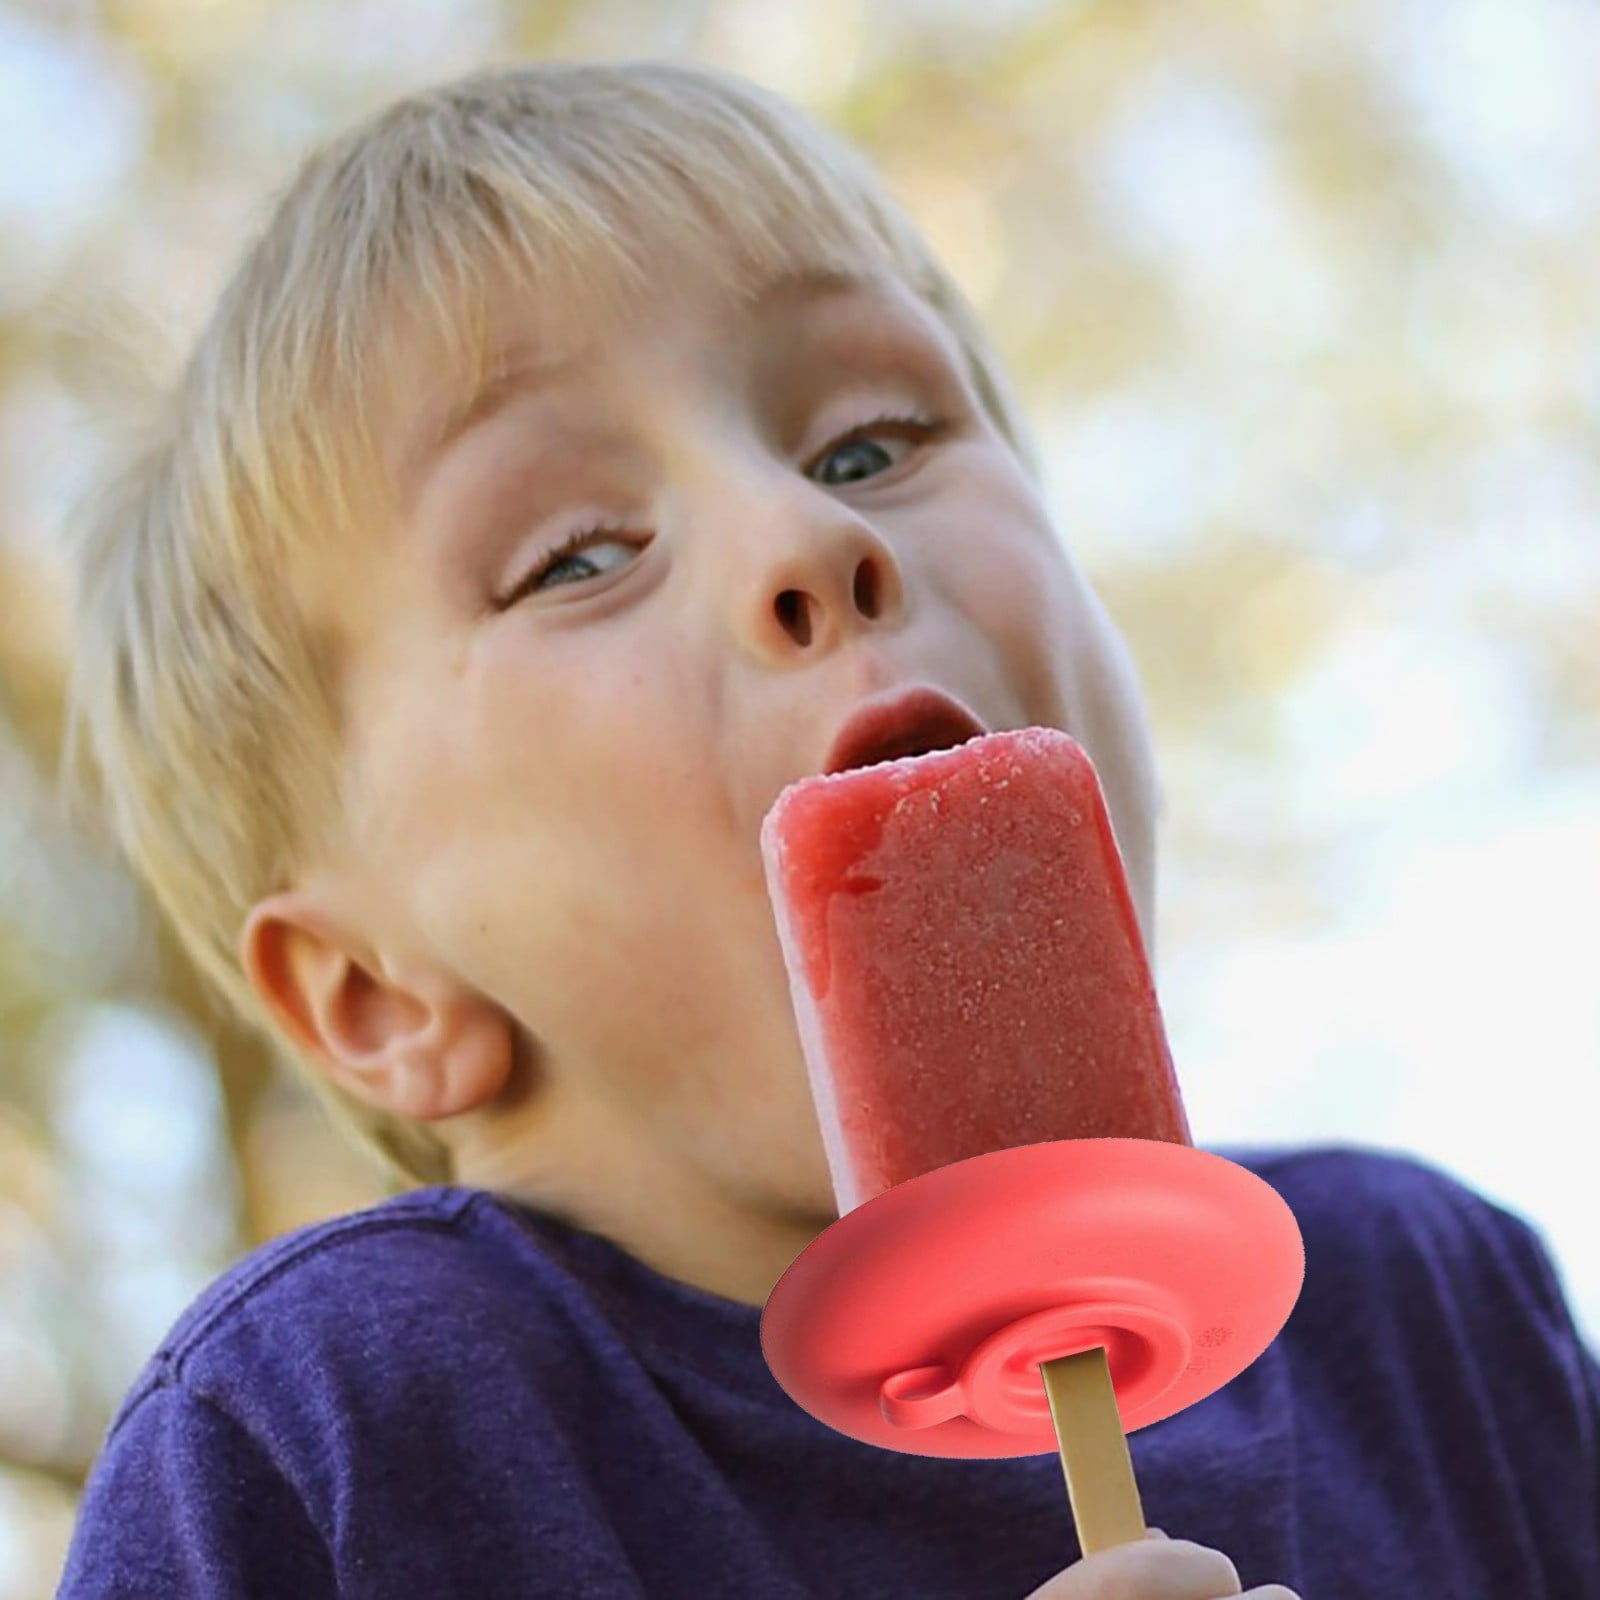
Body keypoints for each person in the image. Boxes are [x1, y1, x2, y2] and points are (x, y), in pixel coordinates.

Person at [53, 57, 1598, 1599]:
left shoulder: (1430, 1322)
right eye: (580, 556)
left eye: (871, 443)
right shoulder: (326, 1438)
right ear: (377, 993)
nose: (811, 533)